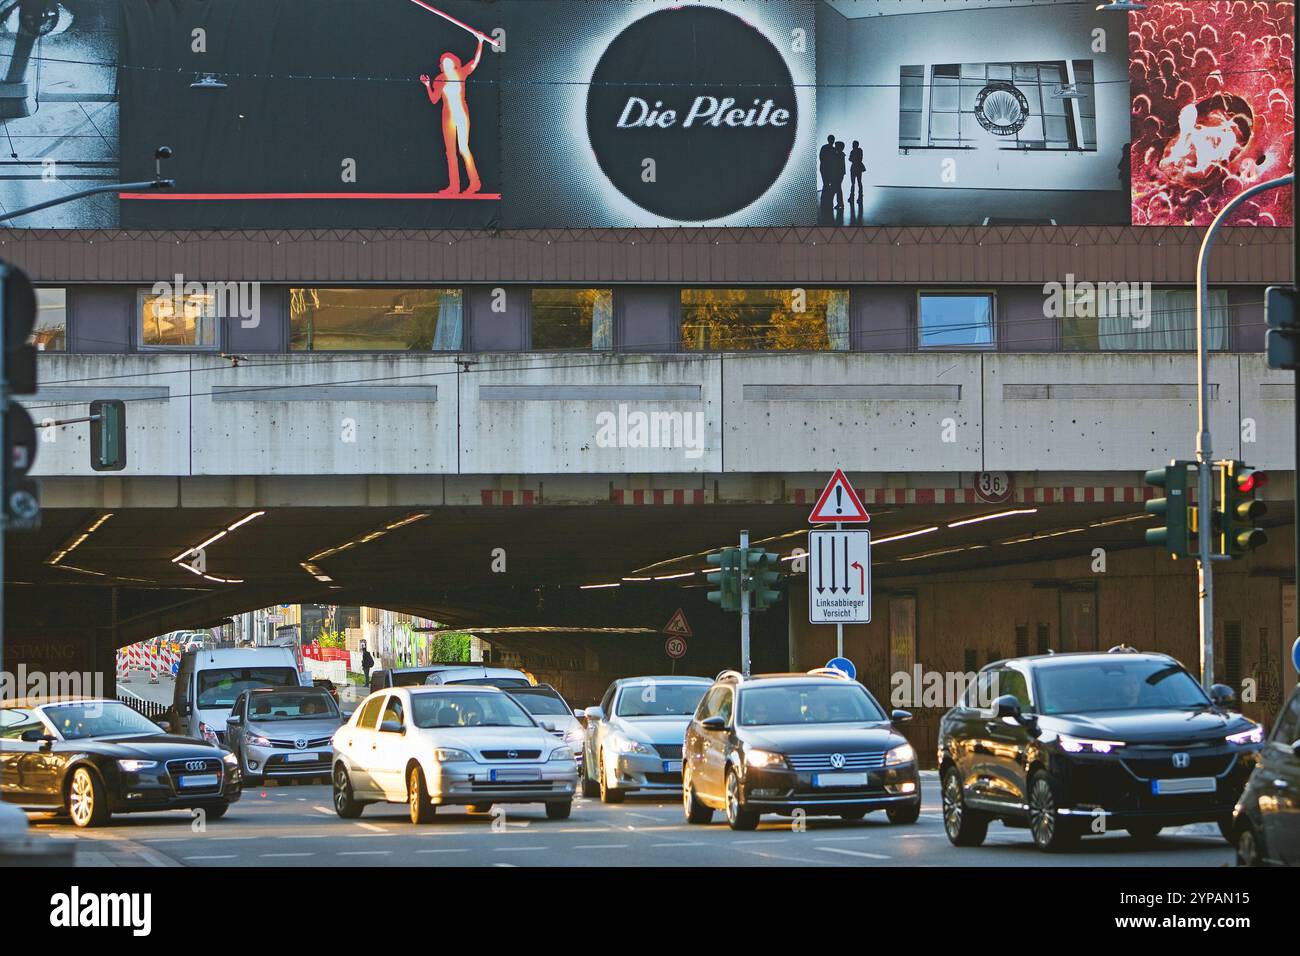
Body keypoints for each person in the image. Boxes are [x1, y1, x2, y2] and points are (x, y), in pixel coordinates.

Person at [420, 35, 485, 195]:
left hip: (461, 115)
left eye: (449, 61)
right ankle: (454, 186)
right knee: (450, 151)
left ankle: (475, 183)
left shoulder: (461, 73)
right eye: (444, 62)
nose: (446, 63)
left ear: (454, 62)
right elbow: (434, 100)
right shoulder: (439, 79)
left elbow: (475, 62)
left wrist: (480, 42)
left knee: (463, 148)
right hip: (447, 117)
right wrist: (428, 86)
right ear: (441, 65)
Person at [849, 140, 864, 205]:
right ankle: (860, 197)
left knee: (853, 183)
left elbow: (850, 159)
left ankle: (852, 197)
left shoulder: (853, 151)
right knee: (859, 182)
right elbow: (859, 158)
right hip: (858, 167)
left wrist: (853, 159)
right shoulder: (859, 150)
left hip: (854, 168)